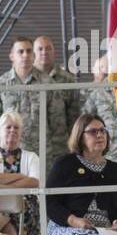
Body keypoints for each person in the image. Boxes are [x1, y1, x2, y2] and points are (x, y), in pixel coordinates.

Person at [0, 36, 65, 159]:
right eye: (20, 51)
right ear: (12, 56)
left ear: (33, 55)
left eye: (29, 51)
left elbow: (57, 121)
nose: (25, 55)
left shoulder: (47, 83)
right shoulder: (1, 84)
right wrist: (8, 137)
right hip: (9, 151)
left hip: (41, 152)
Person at [33, 35, 80, 166]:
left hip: (59, 147)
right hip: (31, 148)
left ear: (54, 52)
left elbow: (74, 114)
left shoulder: (67, 80)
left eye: (48, 48)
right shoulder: (27, 79)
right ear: (34, 52)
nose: (44, 52)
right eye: (40, 49)